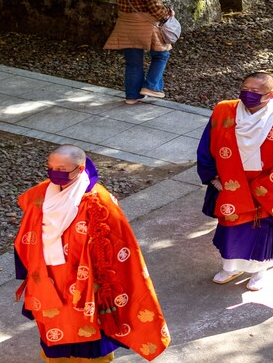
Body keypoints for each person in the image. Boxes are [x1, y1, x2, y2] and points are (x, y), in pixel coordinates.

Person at [14, 145, 169, 362]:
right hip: (48, 279)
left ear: (80, 168)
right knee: (53, 329)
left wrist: (103, 283)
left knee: (90, 335)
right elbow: (27, 231)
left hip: (87, 283)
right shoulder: (41, 193)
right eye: (50, 167)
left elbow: (119, 245)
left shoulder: (99, 201)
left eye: (61, 168)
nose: (54, 173)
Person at [197, 72, 273, 291]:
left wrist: (264, 188)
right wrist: (212, 176)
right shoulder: (224, 110)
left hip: (266, 186)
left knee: (260, 229)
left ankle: (260, 270)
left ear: (271, 94)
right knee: (229, 225)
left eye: (255, 91)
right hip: (229, 181)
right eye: (245, 89)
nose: (248, 94)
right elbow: (207, 143)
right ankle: (231, 266)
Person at [103, 0, 173, 105]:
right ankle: (151, 86)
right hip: (146, 29)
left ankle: (132, 96)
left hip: (125, 27)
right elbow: (157, 11)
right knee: (161, 55)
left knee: (133, 63)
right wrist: (169, 11)